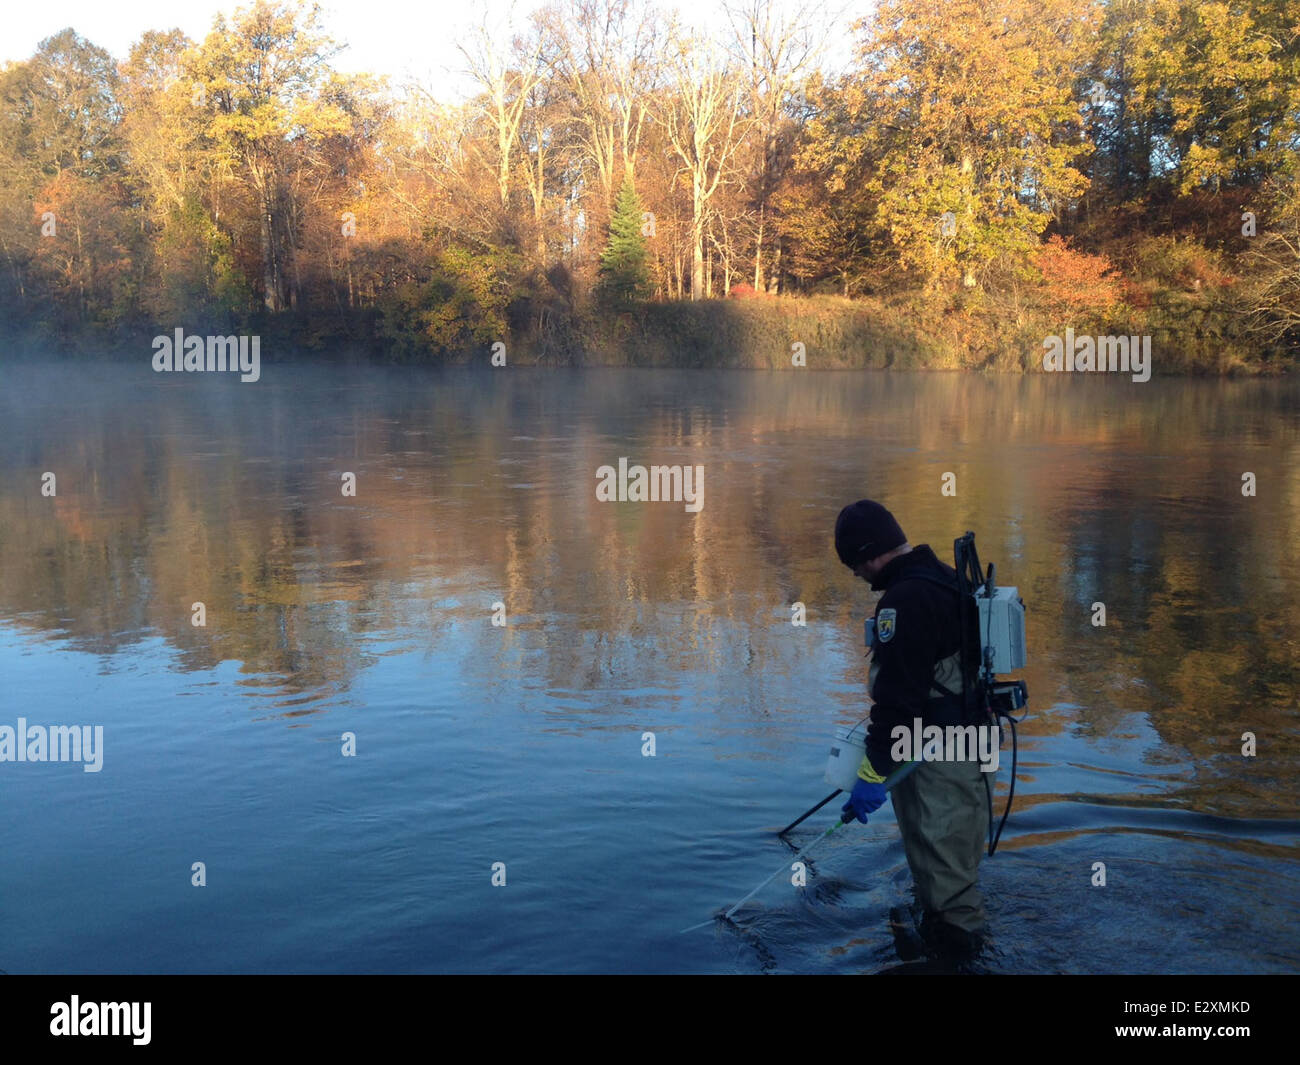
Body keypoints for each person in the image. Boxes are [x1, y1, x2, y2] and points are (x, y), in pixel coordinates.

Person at [834, 499, 989, 964]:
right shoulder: (944, 578)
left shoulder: (904, 600)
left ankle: (961, 957)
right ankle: (941, 943)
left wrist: (871, 771)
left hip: (941, 756)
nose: (857, 575)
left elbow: (898, 703)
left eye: (853, 564)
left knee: (947, 879)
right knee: (946, 865)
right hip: (966, 745)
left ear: (868, 553)